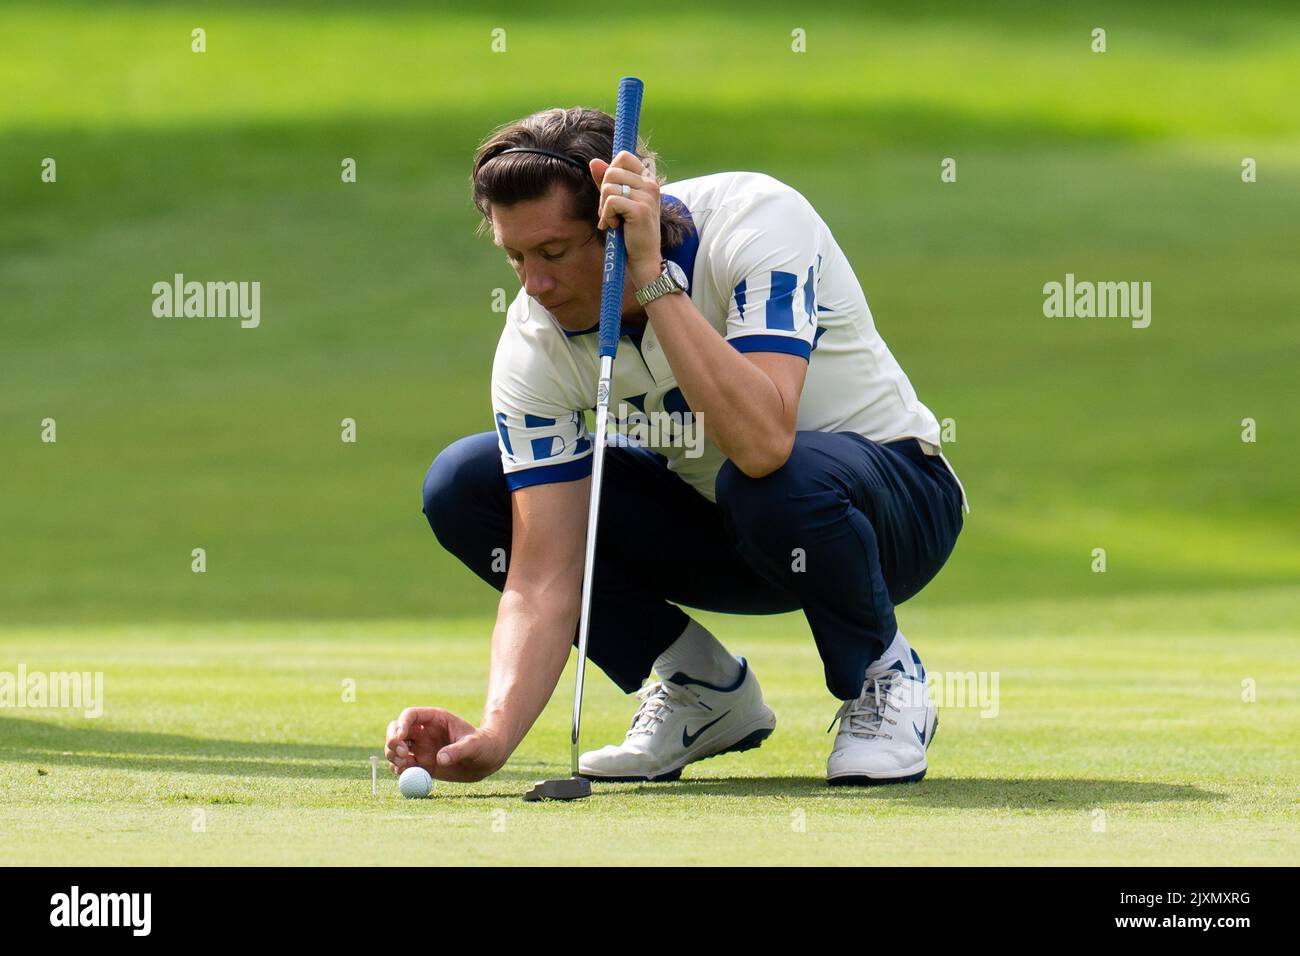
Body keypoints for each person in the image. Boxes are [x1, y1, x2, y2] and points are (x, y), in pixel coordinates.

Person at [385, 106, 968, 787]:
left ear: (616, 226)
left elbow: (762, 441)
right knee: (465, 483)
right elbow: (544, 571)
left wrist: (652, 278)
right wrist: (494, 733)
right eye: (515, 256)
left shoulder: (758, 218)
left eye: (551, 253)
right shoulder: (533, 339)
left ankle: (883, 676)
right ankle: (702, 690)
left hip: (892, 507)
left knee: (768, 480)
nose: (533, 286)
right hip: (731, 531)